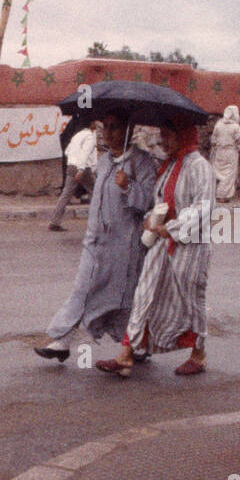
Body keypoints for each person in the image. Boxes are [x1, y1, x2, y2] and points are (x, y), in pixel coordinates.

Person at [96, 115, 216, 378]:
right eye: (162, 134)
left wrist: (171, 227)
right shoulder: (170, 166)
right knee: (144, 294)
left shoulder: (199, 166)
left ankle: (199, 353)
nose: (163, 140)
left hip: (190, 247)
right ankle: (126, 354)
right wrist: (150, 215)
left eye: (169, 135)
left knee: (191, 300)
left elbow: (204, 208)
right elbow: (159, 200)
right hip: (163, 243)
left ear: (183, 135)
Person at [34, 107, 157, 361]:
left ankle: (136, 345)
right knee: (83, 289)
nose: (108, 134)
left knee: (123, 299)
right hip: (96, 242)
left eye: (114, 128)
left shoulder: (142, 162)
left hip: (125, 246)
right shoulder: (104, 162)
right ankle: (62, 340)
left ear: (128, 131)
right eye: (105, 128)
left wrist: (129, 186)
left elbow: (147, 203)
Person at [49, 119, 101, 231]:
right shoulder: (90, 136)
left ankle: (54, 221)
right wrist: (81, 169)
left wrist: (73, 162)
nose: (96, 124)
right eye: (94, 122)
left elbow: (67, 151)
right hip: (82, 169)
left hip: (71, 166)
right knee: (98, 193)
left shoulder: (77, 135)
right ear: (90, 123)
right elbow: (85, 153)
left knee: (66, 194)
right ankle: (103, 220)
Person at [210, 105, 240, 202]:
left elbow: (213, 139)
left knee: (219, 172)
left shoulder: (218, 124)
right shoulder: (235, 126)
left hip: (219, 151)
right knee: (229, 174)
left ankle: (217, 193)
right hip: (230, 152)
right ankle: (222, 195)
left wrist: (217, 146)